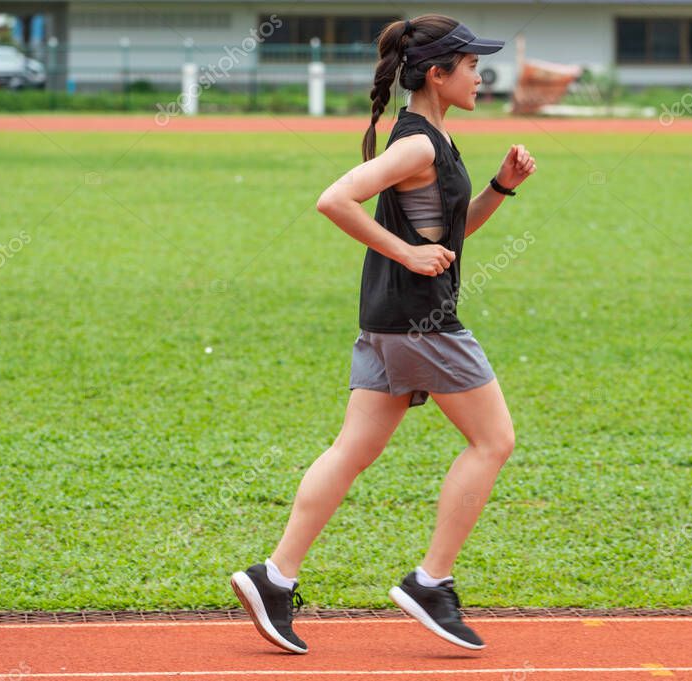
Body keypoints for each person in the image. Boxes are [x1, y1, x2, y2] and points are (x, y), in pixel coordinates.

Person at [230, 13, 537, 655]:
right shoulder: (418, 144)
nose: (483, 75)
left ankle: (274, 577)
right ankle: (431, 581)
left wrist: (501, 189)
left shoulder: (432, 141)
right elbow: (335, 199)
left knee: (351, 452)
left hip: (387, 322)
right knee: (494, 440)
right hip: (422, 323)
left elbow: (446, 237)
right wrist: (405, 253)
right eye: (473, 66)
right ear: (437, 73)